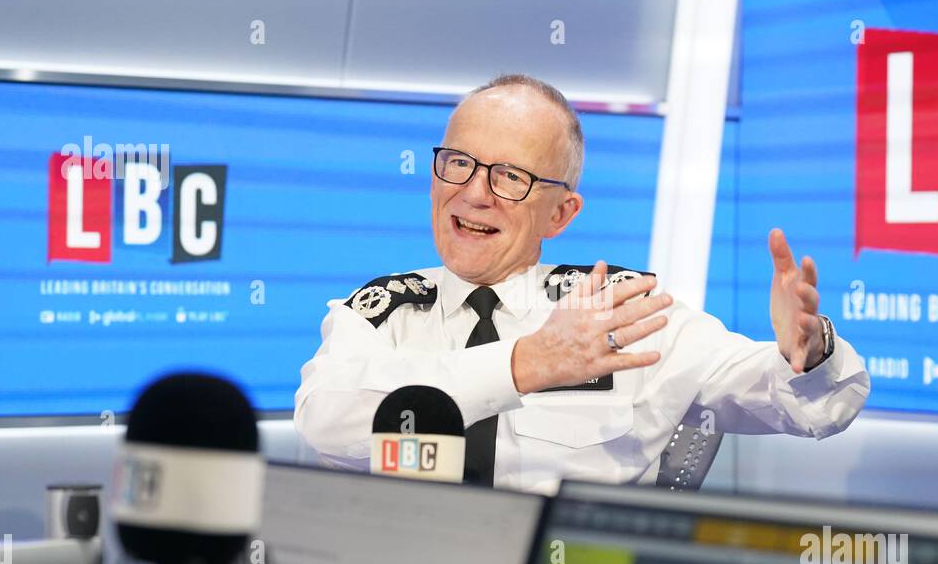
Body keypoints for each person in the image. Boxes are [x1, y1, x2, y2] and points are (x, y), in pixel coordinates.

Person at [295, 74, 870, 493]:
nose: (474, 192)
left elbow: (812, 408)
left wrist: (807, 354)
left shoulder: (622, 313)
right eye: (458, 163)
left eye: (509, 178)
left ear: (561, 214)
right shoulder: (382, 314)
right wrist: (524, 365)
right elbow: (326, 421)